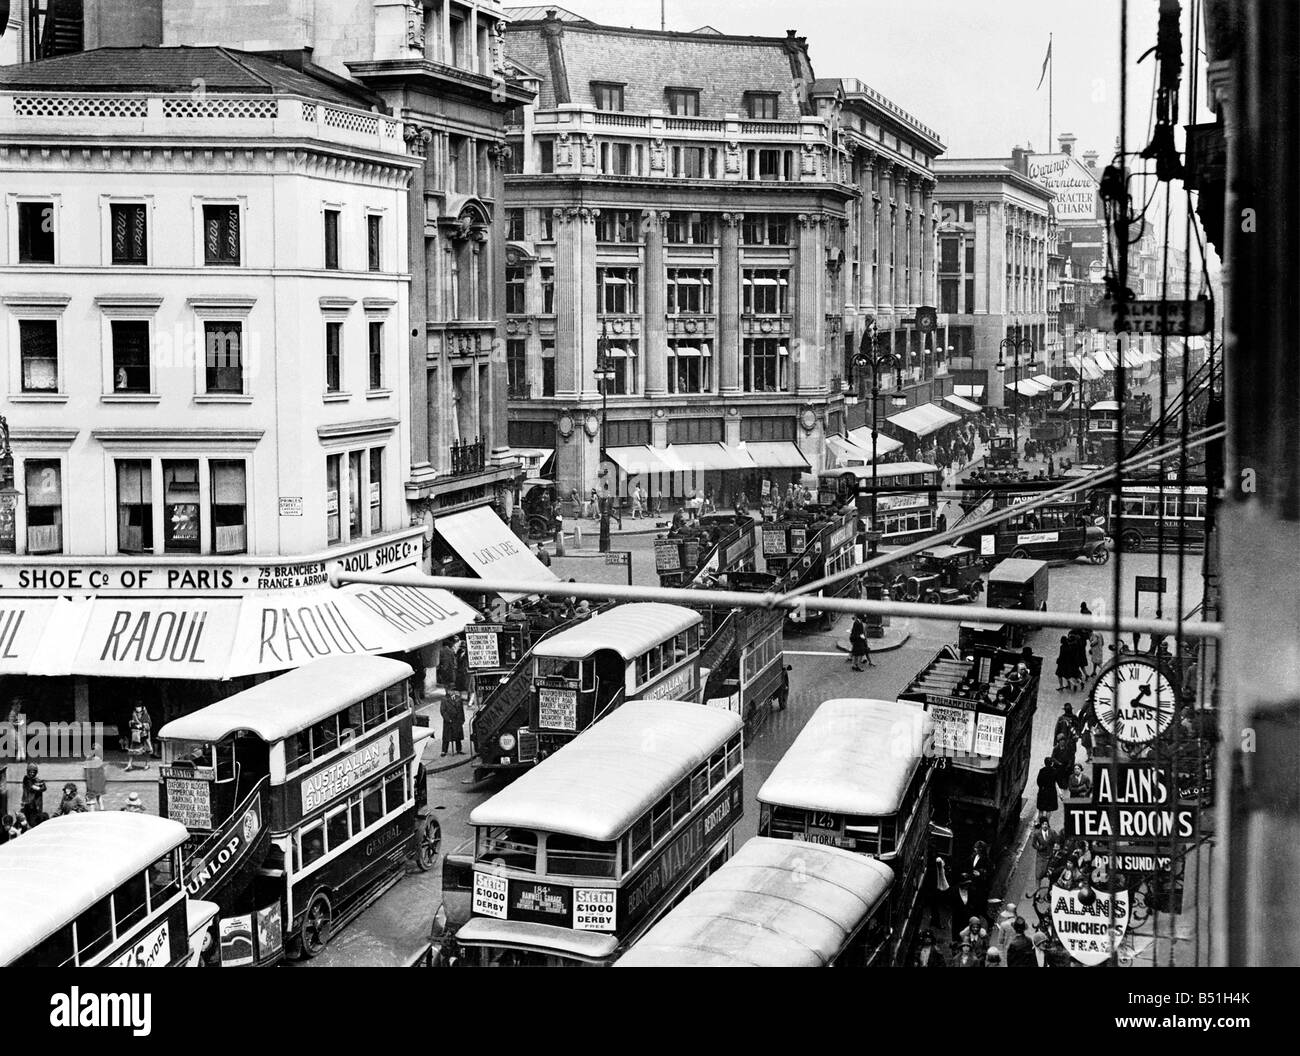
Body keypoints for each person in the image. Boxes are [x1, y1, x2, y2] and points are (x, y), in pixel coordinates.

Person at [125, 703, 153, 772]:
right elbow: (130, 723)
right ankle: (129, 764)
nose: (138, 708)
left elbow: (149, 724)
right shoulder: (134, 714)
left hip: (144, 735)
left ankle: (146, 764)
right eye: (137, 707)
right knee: (132, 750)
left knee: (147, 750)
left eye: (139, 707)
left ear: (142, 707)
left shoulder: (146, 715)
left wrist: (143, 725)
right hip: (136, 735)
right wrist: (132, 723)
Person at [1032, 817, 1060, 882]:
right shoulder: (1037, 834)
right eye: (1043, 824)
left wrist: (1056, 845)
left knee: (1052, 875)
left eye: (1046, 824)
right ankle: (1038, 891)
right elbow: (1033, 844)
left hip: (1050, 856)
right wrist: (1039, 848)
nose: (1044, 826)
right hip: (1041, 857)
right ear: (1041, 825)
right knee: (1038, 876)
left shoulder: (1052, 832)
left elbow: (1057, 840)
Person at [440, 691, 465, 756]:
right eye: (450, 691)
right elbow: (443, 711)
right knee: (446, 736)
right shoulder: (444, 699)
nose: (452, 692)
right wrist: (448, 719)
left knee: (458, 735)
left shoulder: (458, 699)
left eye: (453, 690)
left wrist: (462, 719)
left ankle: (459, 749)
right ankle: (444, 751)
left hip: (457, 720)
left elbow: (461, 710)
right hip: (449, 721)